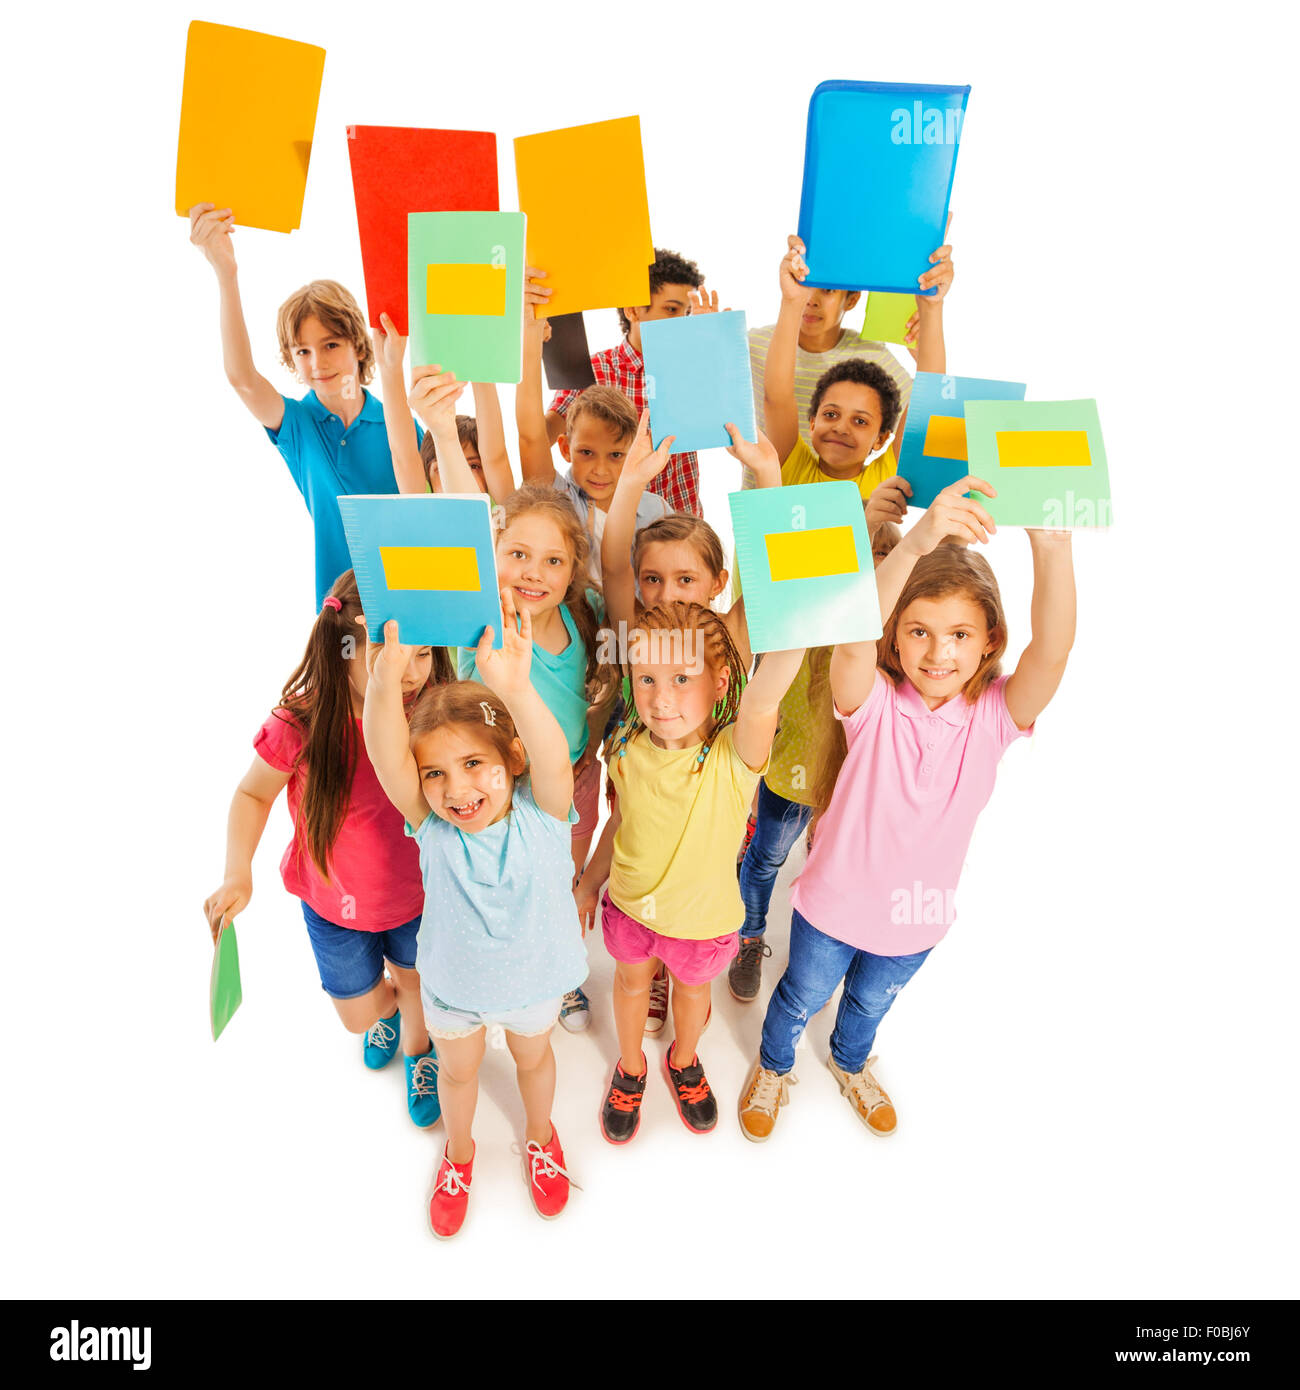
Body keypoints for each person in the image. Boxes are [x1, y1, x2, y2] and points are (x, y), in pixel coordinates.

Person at [737, 476, 1076, 1142]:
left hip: (918, 922)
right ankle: (775, 1065)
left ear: (988, 641)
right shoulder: (872, 705)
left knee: (867, 1005)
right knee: (799, 998)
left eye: (958, 633)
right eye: (918, 631)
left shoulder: (994, 718)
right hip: (831, 909)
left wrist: (1053, 548)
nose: (938, 650)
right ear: (895, 637)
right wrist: (920, 539)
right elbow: (854, 640)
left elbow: (1054, 651)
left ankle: (849, 1060)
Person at [363, 595, 588, 1236]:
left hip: (533, 986)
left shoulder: (544, 813)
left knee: (533, 1061)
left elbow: (550, 753)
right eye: (435, 772)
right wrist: (383, 686)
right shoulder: (432, 826)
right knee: (458, 1076)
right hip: (455, 994)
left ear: (510, 761)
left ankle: (541, 1138)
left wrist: (515, 687)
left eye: (473, 765)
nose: (457, 790)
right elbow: (387, 757)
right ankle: (459, 1155)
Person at [202, 571, 451, 1128]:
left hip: (418, 897)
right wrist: (237, 873)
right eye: (392, 656)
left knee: (416, 987)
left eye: (424, 654)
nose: (412, 673)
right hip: (333, 904)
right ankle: (390, 1008)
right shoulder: (303, 719)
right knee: (358, 1016)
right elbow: (251, 793)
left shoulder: (433, 710)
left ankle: (419, 1053)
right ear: (343, 652)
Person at [594, 601, 804, 1142]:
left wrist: (800, 612)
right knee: (630, 983)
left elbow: (766, 694)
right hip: (630, 910)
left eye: (681, 677)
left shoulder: (734, 753)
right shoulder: (624, 745)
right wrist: (590, 881)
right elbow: (620, 820)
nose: (660, 698)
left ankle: (683, 1059)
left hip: (703, 922)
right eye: (646, 678)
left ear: (719, 681)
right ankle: (630, 1066)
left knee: (691, 994)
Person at [187, 204, 419, 608]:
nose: (318, 363)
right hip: (339, 616)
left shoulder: (398, 423)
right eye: (303, 351)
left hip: (411, 601)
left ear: (357, 345)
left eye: (330, 345)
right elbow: (243, 378)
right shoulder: (297, 424)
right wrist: (227, 275)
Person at [457, 485, 613, 1030]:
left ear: (573, 572)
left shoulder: (587, 613)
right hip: (495, 796)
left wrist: (592, 742)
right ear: (491, 553)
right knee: (505, 888)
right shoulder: (475, 617)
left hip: (566, 784)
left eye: (553, 561)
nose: (533, 573)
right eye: (517, 554)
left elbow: (600, 689)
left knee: (559, 880)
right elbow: (461, 498)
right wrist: (443, 432)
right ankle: (502, 972)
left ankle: (562, 974)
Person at [730, 520, 901, 1002]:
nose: (879, 561)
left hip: (853, 780)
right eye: (870, 550)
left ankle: (820, 957)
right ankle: (749, 936)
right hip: (793, 768)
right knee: (766, 858)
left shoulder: (900, 626)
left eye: (889, 553)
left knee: (827, 862)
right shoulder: (809, 605)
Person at [541, 250, 722, 517]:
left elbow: (720, 425)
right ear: (633, 310)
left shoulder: (688, 368)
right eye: (671, 309)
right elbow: (542, 436)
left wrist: (707, 352)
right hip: (611, 530)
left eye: (687, 313)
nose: (681, 322)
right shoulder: (595, 371)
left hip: (678, 528)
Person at [517, 271, 669, 583]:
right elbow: (531, 435)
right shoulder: (558, 497)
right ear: (564, 448)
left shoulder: (657, 512)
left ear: (635, 455)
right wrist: (530, 338)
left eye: (616, 455)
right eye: (587, 452)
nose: (600, 469)